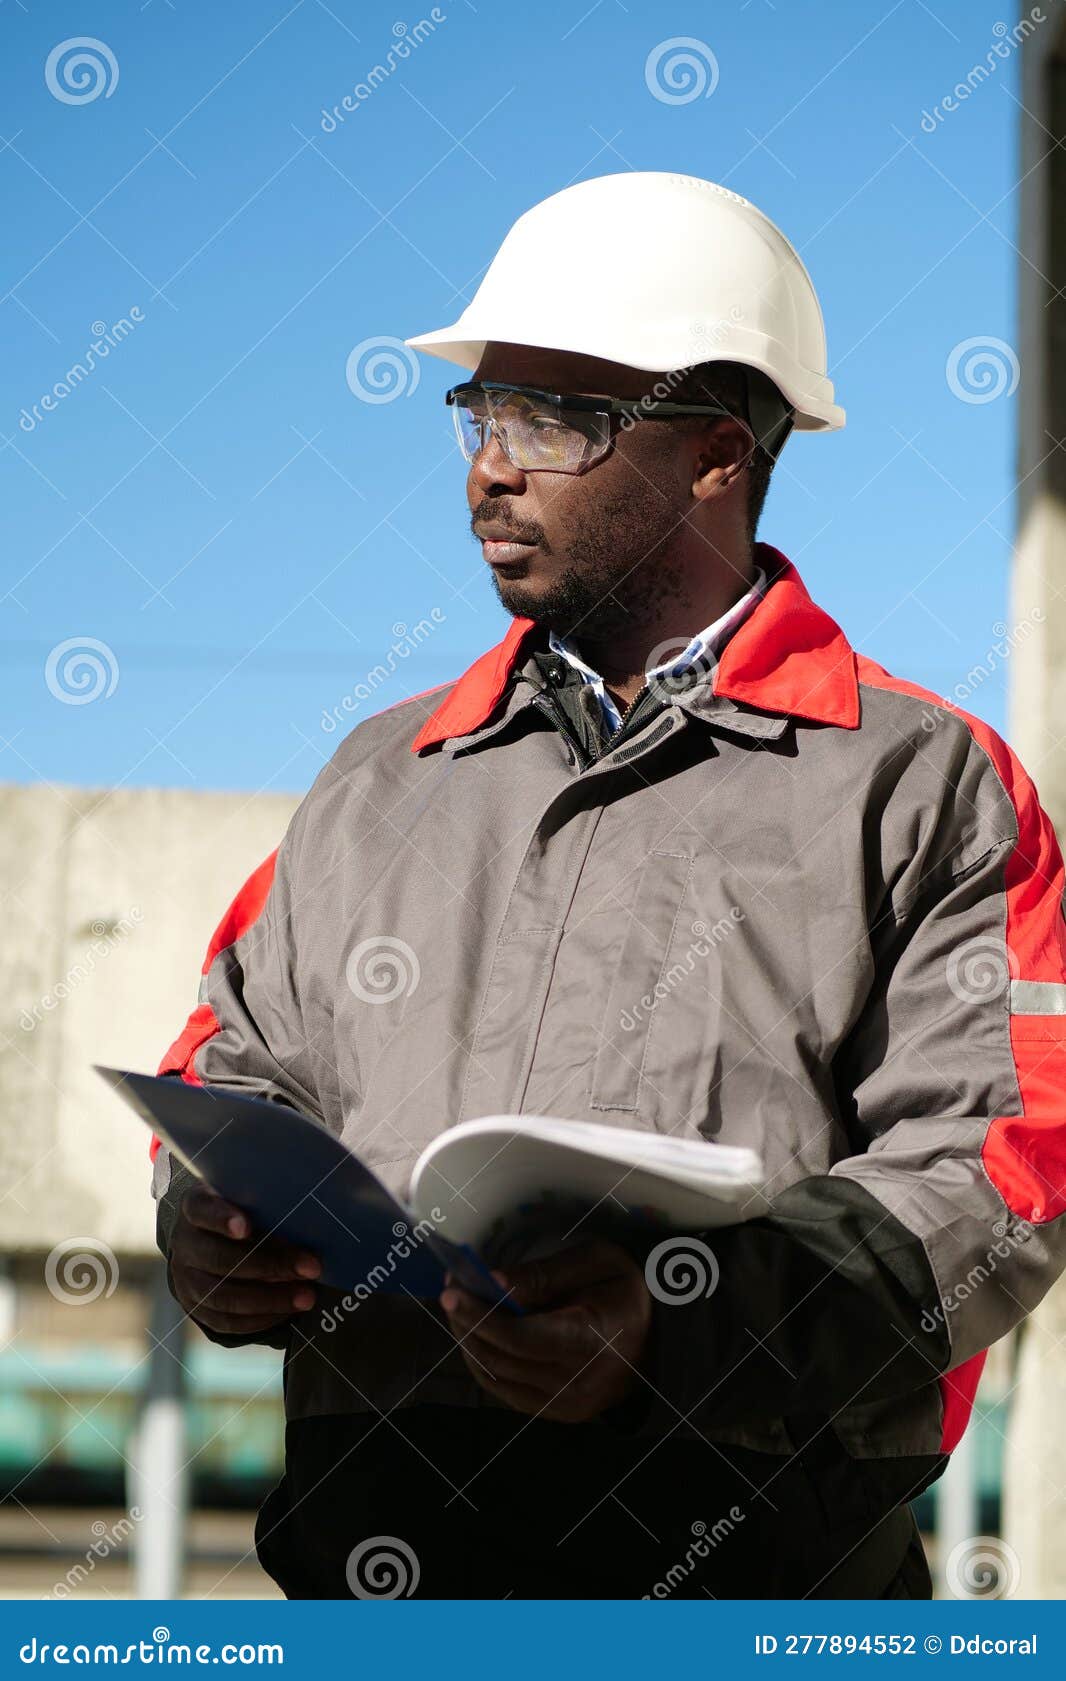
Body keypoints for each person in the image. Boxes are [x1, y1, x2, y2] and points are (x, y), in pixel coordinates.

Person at [151, 173, 1066, 1600]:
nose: (487, 468)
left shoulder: (923, 781)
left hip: (755, 1608)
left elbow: (1003, 1170)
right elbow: (231, 1058)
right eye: (479, 415)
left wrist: (674, 1327)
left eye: (551, 421)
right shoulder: (378, 775)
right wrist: (209, 1230)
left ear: (716, 453)